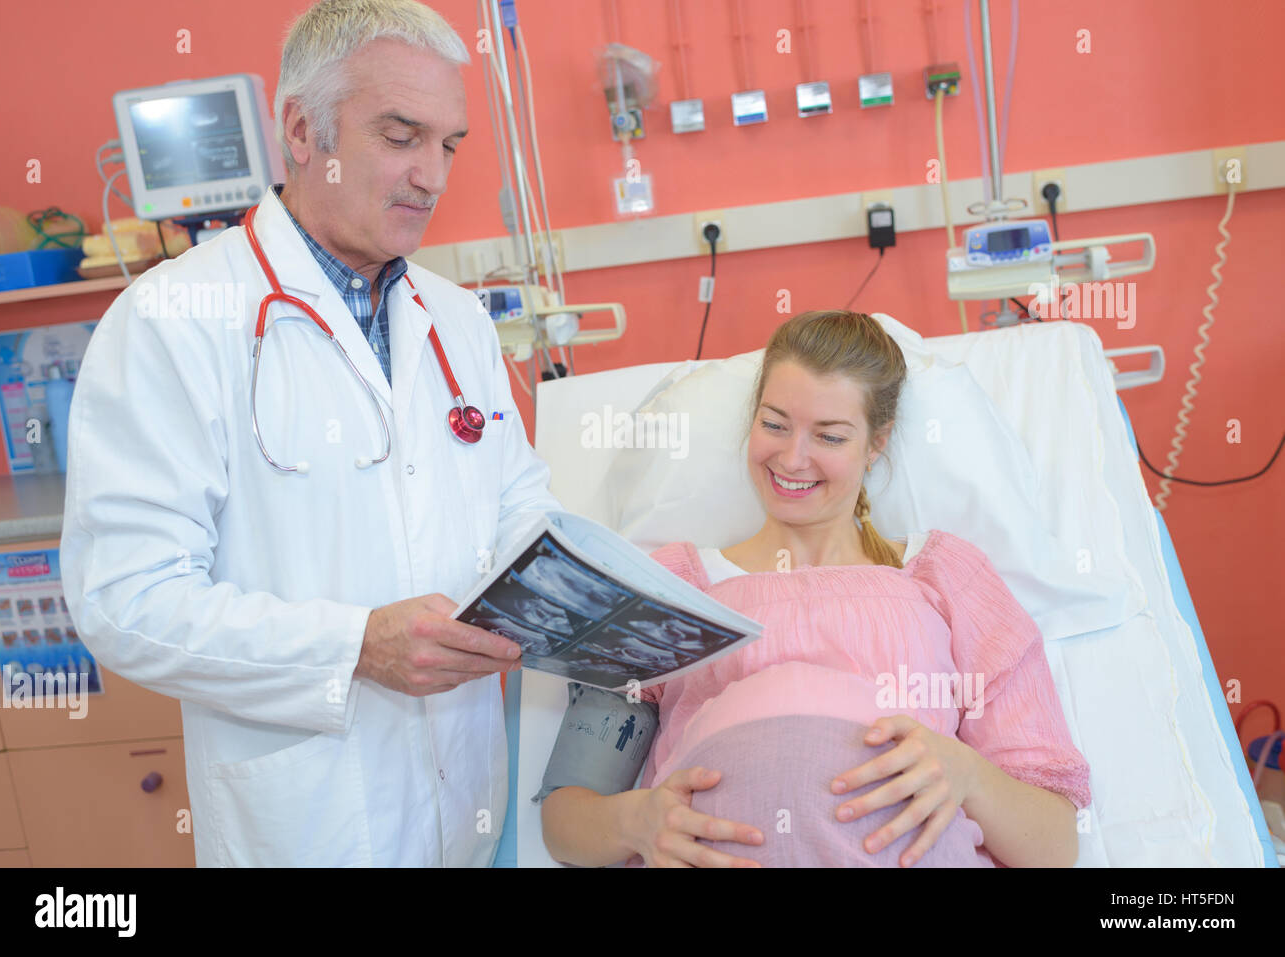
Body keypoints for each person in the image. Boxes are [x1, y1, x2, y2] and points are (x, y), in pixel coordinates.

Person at [59, 0, 560, 867]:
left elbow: (518, 502)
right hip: (309, 825)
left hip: (467, 811)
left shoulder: (456, 321)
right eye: (402, 136)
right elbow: (123, 599)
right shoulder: (173, 321)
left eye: (450, 144)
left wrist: (582, 589)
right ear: (301, 130)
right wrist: (354, 645)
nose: (433, 176)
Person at [537, 311, 1090, 868]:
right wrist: (635, 822)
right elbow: (566, 824)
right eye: (775, 424)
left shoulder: (946, 577)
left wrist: (970, 775)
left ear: (877, 443)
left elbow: (1053, 848)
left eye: (828, 435)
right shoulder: (667, 587)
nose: (793, 458)